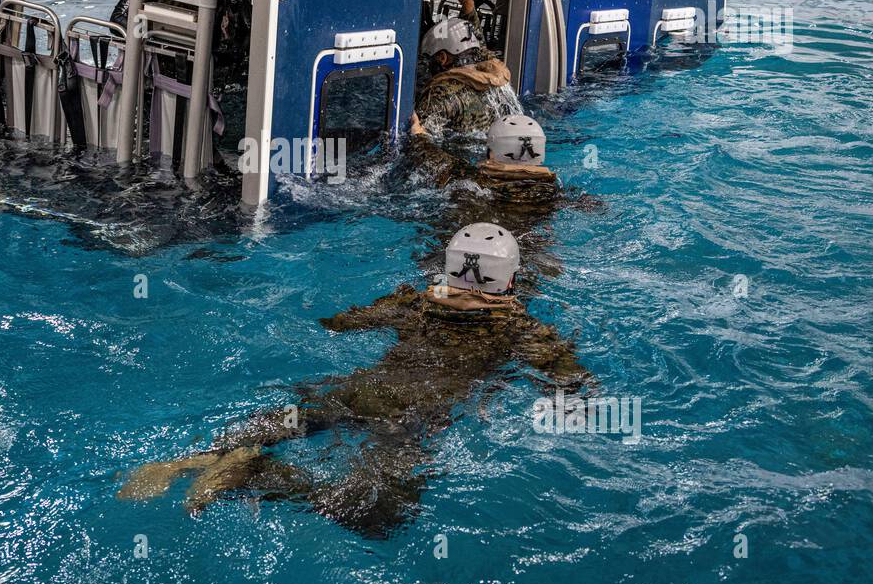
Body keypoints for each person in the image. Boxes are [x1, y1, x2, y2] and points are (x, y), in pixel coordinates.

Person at [118, 223, 591, 537]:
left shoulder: (413, 301)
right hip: (412, 415)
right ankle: (260, 476)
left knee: (290, 419)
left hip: (358, 387)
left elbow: (340, 324)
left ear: (449, 268)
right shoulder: (523, 328)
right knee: (381, 516)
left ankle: (197, 458)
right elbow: (572, 385)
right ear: (509, 281)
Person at [412, 0, 519, 137]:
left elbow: (426, 146)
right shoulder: (494, 80)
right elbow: (475, 43)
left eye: (430, 57)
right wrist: (468, 3)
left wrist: (418, 136)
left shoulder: (439, 96)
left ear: (442, 58)